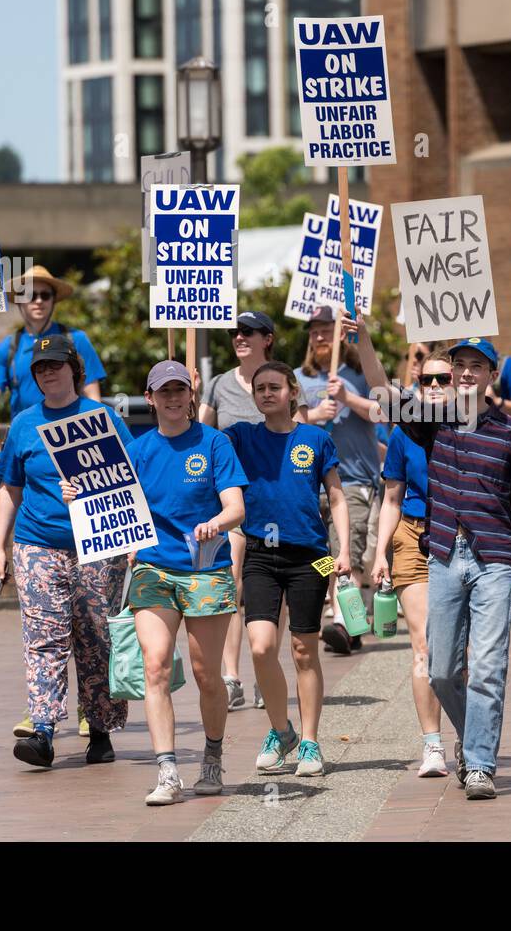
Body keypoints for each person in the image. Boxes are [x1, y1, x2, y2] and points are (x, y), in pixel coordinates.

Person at [359, 330, 511, 801]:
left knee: (486, 667)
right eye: (458, 364)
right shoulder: (429, 422)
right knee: (441, 670)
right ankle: (473, 736)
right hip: (442, 553)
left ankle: (480, 763)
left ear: (489, 376)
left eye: (475, 366)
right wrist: (363, 339)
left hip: (496, 558)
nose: (465, 372)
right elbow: (383, 394)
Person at [0, 335, 130, 767]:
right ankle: (44, 731)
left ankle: (101, 728)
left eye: (56, 364)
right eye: (40, 367)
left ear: (75, 369)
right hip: (36, 544)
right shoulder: (23, 424)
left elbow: (131, 479)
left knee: (95, 638)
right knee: (44, 639)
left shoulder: (102, 417)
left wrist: (93, 492)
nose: (47, 371)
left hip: (98, 546)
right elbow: (10, 487)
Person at [118, 360, 248, 804]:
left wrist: (216, 522)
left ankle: (211, 757)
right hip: (154, 568)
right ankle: (167, 772)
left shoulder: (215, 443)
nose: (172, 398)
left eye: (179, 390)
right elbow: (111, 505)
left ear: (190, 395)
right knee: (155, 665)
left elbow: (236, 508)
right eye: (163, 391)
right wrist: (78, 496)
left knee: (205, 674)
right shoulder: (137, 450)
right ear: (149, 398)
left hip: (206, 570)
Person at [224, 361, 349, 777]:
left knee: (303, 651)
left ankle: (311, 742)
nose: (266, 394)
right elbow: (197, 439)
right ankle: (282, 731)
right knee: (260, 646)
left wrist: (343, 552)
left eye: (274, 387)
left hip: (313, 556)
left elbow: (336, 499)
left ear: (293, 391)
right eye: (259, 388)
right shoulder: (241, 437)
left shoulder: (316, 438)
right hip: (260, 553)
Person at [199, 310, 306, 714]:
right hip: (233, 505)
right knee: (232, 584)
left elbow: (304, 437)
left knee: (272, 593)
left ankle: (266, 672)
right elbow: (202, 436)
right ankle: (231, 676)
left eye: (248, 332)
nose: (239, 337)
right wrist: (192, 400)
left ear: (268, 338)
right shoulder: (218, 384)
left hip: (275, 506)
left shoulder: (283, 379)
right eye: (234, 332)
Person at [369, 350, 453, 777]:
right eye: (426, 381)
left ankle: (470, 734)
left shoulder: (471, 425)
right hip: (413, 537)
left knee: (456, 653)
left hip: (460, 541)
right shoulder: (405, 432)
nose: (434, 387)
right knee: (423, 644)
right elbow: (392, 497)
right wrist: (381, 551)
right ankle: (432, 744)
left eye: (443, 379)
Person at [295, 305, 378, 656]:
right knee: (326, 558)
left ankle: (344, 623)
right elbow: (289, 424)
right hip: (312, 484)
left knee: (350, 554)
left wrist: (347, 397)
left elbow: (384, 410)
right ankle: (352, 623)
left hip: (354, 480)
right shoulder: (298, 378)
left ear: (341, 333)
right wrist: (314, 415)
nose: (319, 336)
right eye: (314, 331)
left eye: (326, 330)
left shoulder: (360, 374)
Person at [0, 265, 106, 444]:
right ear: (20, 301)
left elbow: (93, 395)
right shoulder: (7, 347)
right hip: (26, 439)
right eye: (30, 295)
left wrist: (98, 432)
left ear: (53, 301)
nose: (38, 301)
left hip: (72, 438)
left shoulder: (76, 339)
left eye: (45, 295)